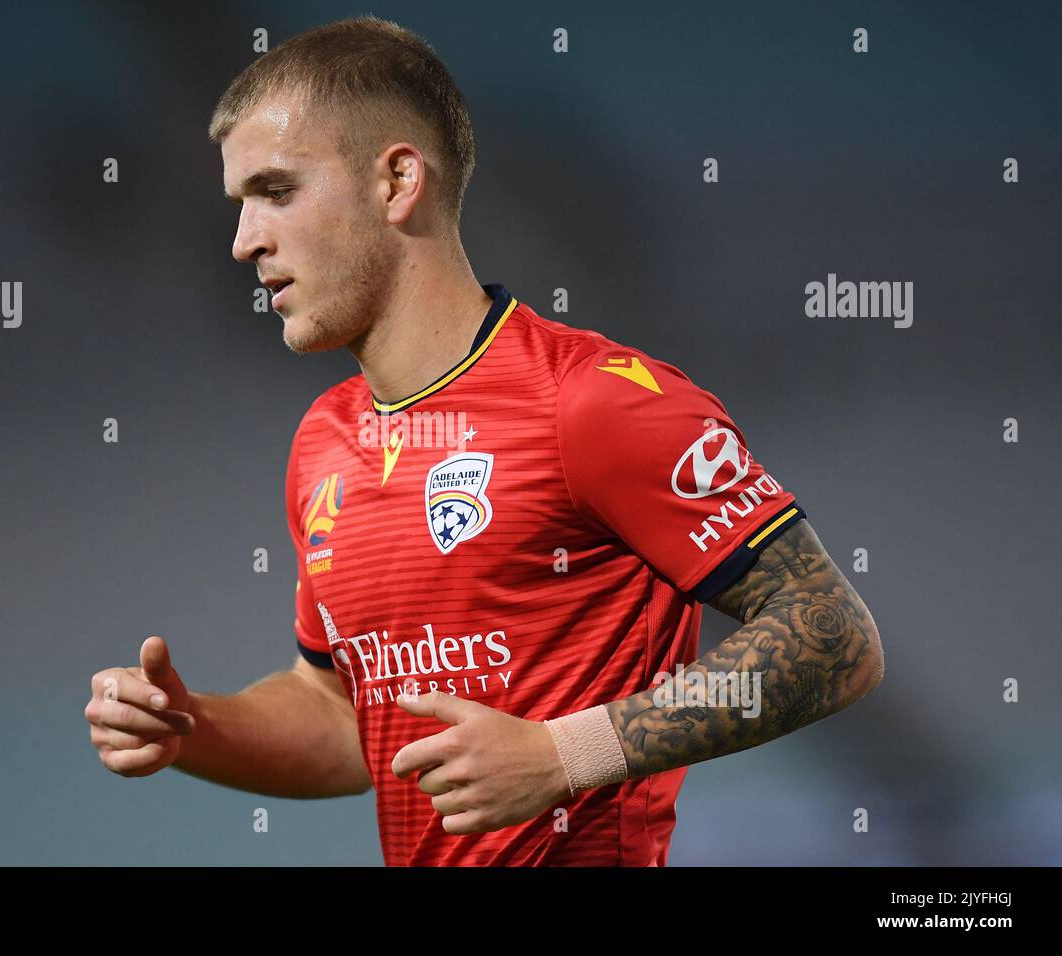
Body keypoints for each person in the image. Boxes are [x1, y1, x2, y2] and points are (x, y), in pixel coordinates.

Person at [84, 15, 885, 866]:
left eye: (276, 191)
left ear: (397, 181)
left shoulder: (591, 403)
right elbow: (343, 720)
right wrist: (195, 729)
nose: (244, 241)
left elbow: (830, 632)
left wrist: (560, 758)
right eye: (239, 205)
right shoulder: (324, 441)